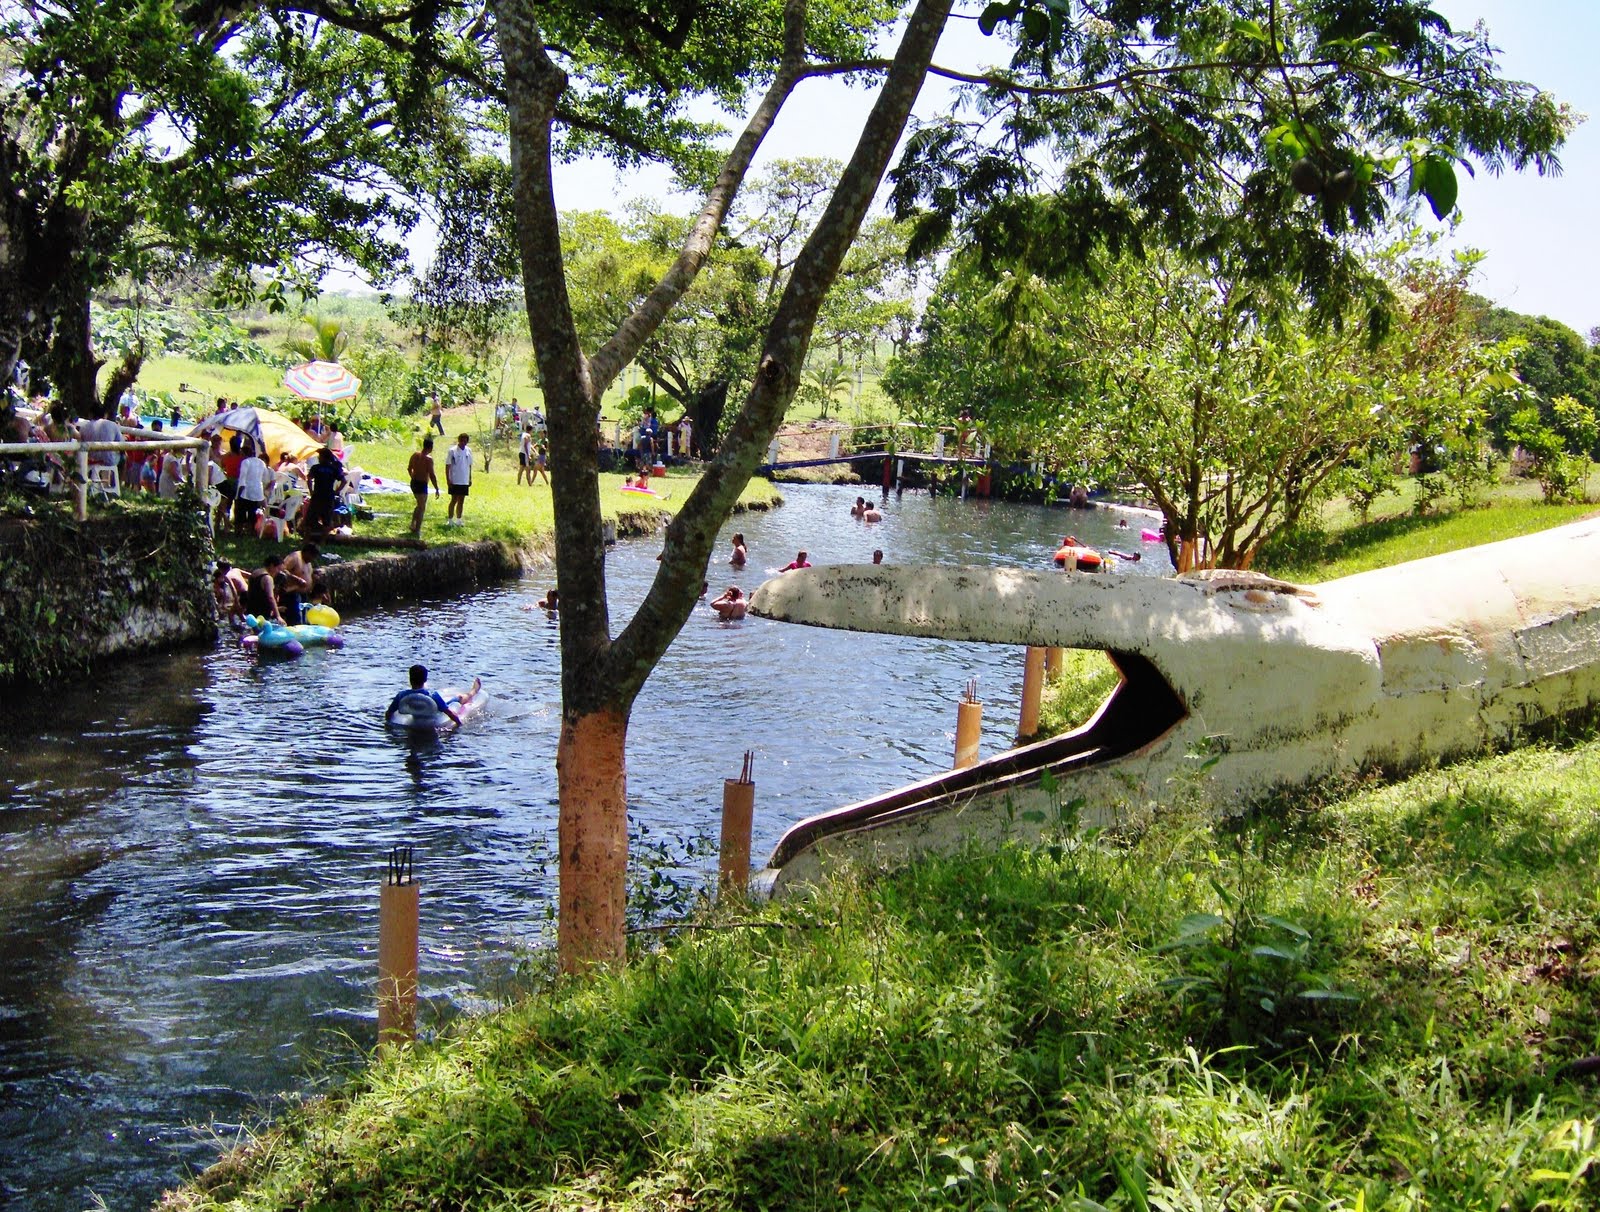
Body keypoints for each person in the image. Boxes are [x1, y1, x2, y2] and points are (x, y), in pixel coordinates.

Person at [386, 665, 480, 729]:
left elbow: (389, 713)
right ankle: (474, 691)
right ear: (425, 680)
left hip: (413, 713)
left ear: (410, 679)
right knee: (458, 698)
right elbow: (449, 713)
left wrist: (389, 725)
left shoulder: (401, 695)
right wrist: (459, 724)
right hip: (435, 714)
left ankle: (473, 690)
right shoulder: (432, 695)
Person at [302, 446, 346, 536]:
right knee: (327, 520)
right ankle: (324, 539)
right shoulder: (333, 468)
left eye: (320, 456)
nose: (318, 458)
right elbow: (344, 481)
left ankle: (307, 538)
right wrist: (336, 491)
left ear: (323, 457)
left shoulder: (316, 468)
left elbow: (309, 479)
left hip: (317, 495)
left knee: (310, 519)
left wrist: (311, 491)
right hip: (328, 496)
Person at [233, 440, 270, 534]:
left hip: (246, 490)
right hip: (257, 491)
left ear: (244, 454)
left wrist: (238, 493)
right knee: (252, 511)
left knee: (240, 511)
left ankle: (239, 530)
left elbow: (242, 478)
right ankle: (251, 530)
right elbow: (266, 477)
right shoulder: (261, 462)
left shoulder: (245, 462)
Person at [407, 437, 439, 536]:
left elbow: (409, 468)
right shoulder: (428, 459)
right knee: (422, 507)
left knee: (419, 504)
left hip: (414, 483)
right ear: (431, 447)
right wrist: (436, 488)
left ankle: (413, 523)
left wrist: (413, 477)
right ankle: (417, 530)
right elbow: (432, 475)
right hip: (422, 484)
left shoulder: (415, 455)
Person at [280, 542, 318, 624]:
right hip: (292, 593)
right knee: (295, 617)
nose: (313, 559)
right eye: (312, 556)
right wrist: (297, 579)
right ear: (307, 552)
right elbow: (282, 571)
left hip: (303, 594)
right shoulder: (294, 557)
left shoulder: (308, 562)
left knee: (304, 617)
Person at [243, 553, 285, 622]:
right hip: (262, 616)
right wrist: (278, 616)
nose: (278, 572)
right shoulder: (267, 578)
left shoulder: (255, 572)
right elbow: (270, 598)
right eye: (278, 569)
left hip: (251, 612)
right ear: (272, 565)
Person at [444, 432, 472, 524]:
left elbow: (469, 465)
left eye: (465, 441)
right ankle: (450, 520)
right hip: (455, 479)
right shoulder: (452, 451)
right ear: (459, 440)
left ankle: (459, 519)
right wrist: (448, 479)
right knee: (454, 500)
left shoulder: (468, 451)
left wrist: (470, 478)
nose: (463, 443)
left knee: (461, 500)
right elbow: (448, 465)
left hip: (464, 480)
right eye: (462, 441)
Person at [212, 561, 250, 627]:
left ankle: (238, 628)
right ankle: (244, 626)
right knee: (239, 613)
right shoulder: (236, 570)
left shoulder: (227, 576)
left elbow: (233, 589)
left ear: (221, 569)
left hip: (243, 594)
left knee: (231, 614)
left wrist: (237, 602)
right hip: (249, 591)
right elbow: (250, 575)